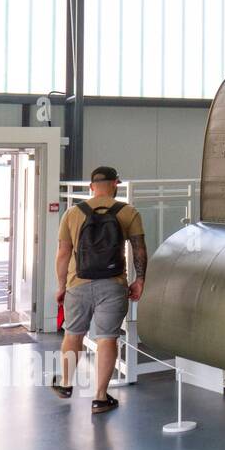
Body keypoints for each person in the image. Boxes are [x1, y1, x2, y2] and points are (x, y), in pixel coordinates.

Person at [52, 166, 146, 414]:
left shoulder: (73, 213)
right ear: (116, 183)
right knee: (107, 338)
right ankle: (100, 398)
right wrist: (140, 280)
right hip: (113, 285)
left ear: (91, 186)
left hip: (77, 284)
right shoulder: (128, 212)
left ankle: (65, 384)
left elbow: (63, 254)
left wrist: (61, 286)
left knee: (73, 334)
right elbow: (139, 250)